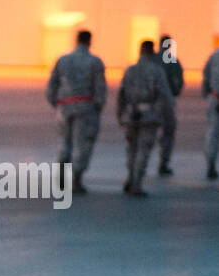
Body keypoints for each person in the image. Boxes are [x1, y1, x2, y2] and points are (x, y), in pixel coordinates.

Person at [45, 29, 106, 196]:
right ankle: (77, 179)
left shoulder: (63, 59)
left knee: (65, 141)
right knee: (82, 144)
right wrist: (98, 107)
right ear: (89, 41)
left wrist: (55, 103)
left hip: (65, 107)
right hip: (86, 107)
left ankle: (61, 178)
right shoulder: (94, 62)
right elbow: (100, 88)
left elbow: (52, 84)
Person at [117, 39, 173, 197]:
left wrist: (120, 115)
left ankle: (130, 176)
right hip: (149, 115)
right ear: (152, 51)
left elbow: (121, 95)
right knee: (143, 150)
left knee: (131, 149)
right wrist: (165, 116)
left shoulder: (130, 70)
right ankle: (136, 183)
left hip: (130, 114)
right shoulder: (157, 71)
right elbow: (164, 95)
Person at [155, 34, 183, 176]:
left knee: (146, 134)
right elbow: (179, 82)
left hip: (151, 103)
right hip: (167, 102)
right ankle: (163, 163)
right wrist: (173, 93)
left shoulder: (152, 59)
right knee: (167, 133)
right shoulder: (173, 60)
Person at [203, 44, 219, 181]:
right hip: (216, 98)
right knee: (213, 133)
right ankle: (210, 164)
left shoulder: (215, 55)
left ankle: (211, 163)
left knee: (213, 133)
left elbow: (206, 75)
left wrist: (206, 94)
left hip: (215, 98)